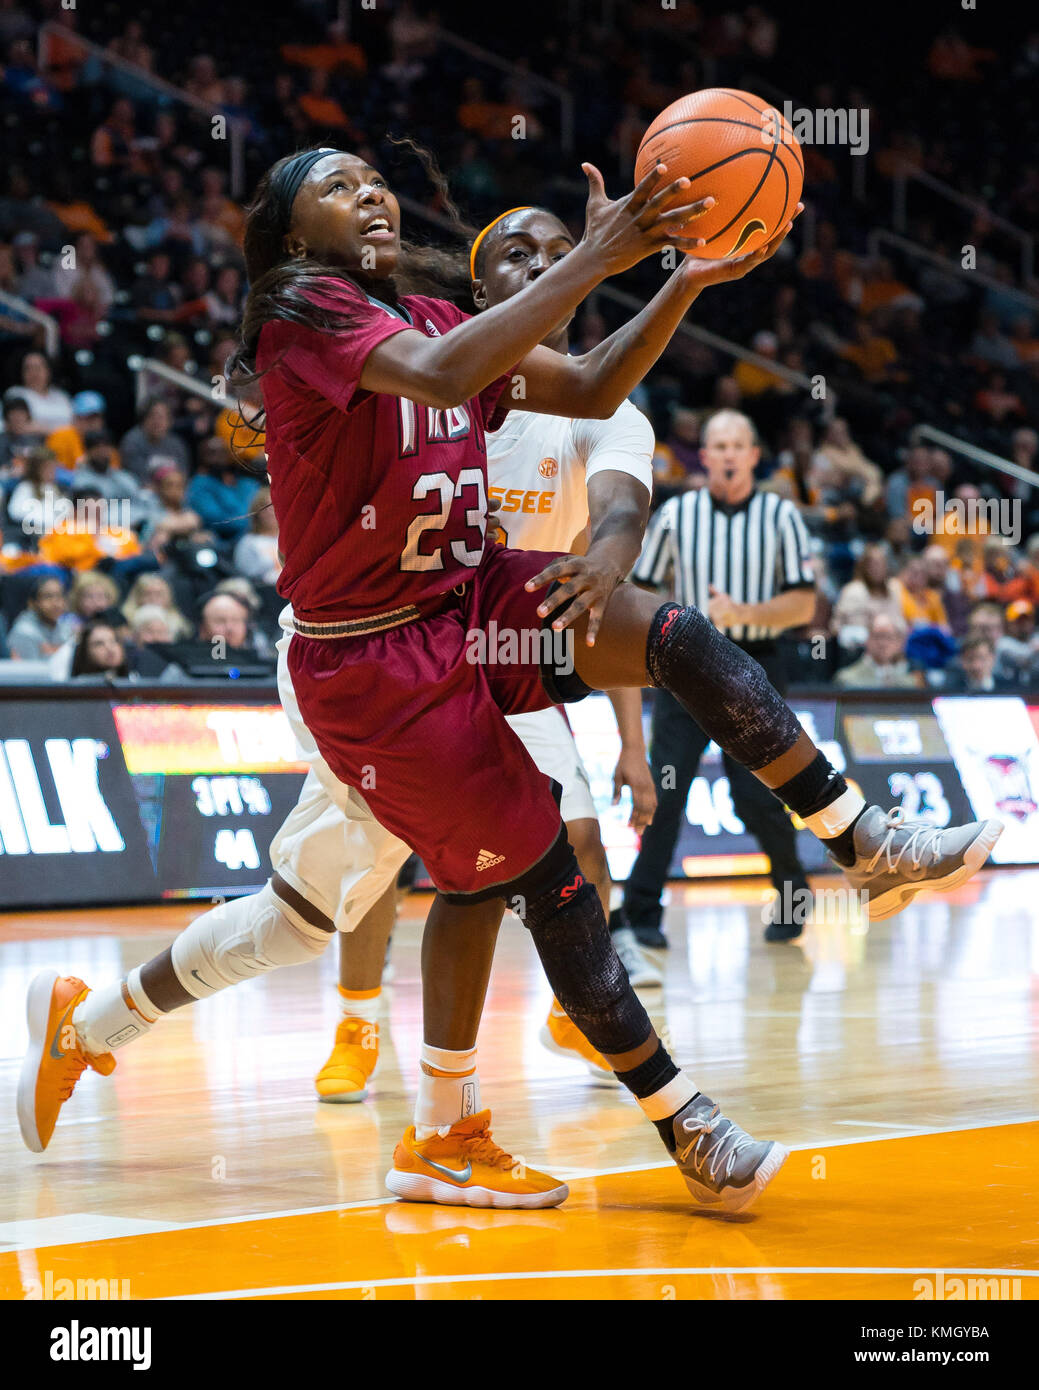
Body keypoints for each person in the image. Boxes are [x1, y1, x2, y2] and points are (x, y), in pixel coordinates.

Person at [22, 148, 1001, 1218]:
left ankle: (859, 839)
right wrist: (596, 253)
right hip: (367, 662)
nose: (371, 192)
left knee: (666, 642)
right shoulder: (301, 310)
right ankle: (654, 1120)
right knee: (507, 875)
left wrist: (682, 279)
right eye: (337, 186)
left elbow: (589, 386)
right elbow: (442, 382)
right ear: (298, 234)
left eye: (373, 178)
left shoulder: (443, 317)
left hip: (466, 603)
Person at [611, 408, 819, 948]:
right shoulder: (677, 515)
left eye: (738, 444)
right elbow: (642, 590)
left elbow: (802, 605)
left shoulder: (781, 516)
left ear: (753, 456)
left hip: (757, 668)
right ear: (703, 457)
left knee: (756, 795)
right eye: (717, 445)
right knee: (666, 790)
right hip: (682, 669)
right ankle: (641, 914)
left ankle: (794, 891)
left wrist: (744, 611)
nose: (728, 453)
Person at [834, 612, 921, 689]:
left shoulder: (911, 683)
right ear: (867, 640)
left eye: (888, 637)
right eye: (878, 636)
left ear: (899, 643)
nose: (883, 643)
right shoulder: (847, 680)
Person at [6, 574, 75, 658]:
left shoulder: (65, 628)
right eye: (48, 596)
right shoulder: (23, 632)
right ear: (32, 603)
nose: (56, 603)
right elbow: (29, 669)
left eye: (59, 596)